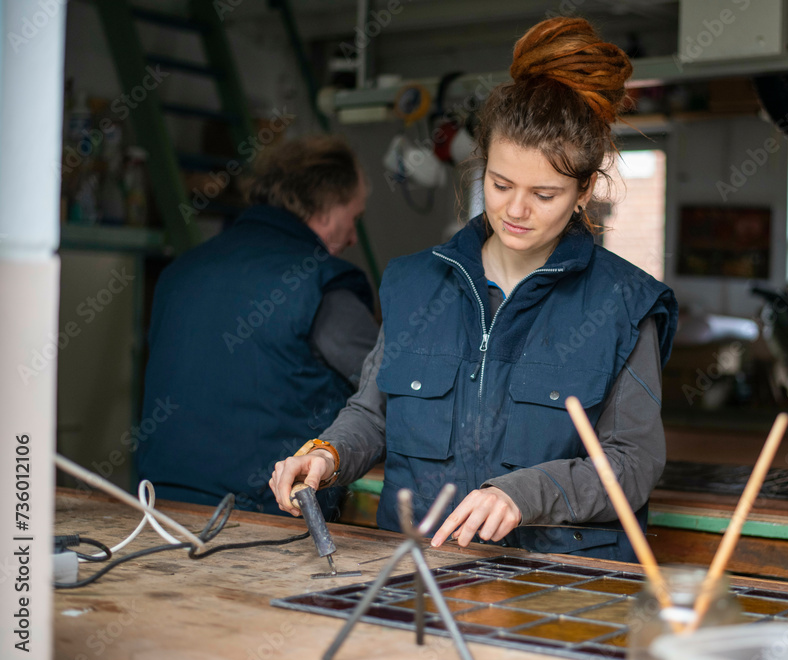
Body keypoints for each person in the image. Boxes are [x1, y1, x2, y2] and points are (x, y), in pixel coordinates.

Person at [270, 17, 678, 562]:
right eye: (501, 184)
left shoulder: (624, 305)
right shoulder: (417, 284)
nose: (515, 209)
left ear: (584, 192)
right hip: (417, 570)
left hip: (558, 585)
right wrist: (326, 456)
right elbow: (372, 414)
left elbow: (631, 464)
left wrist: (524, 494)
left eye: (545, 194)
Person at [136, 136, 378, 518]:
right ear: (329, 207)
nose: (352, 237)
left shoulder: (179, 272)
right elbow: (392, 389)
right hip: (267, 521)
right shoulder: (321, 285)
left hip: (156, 509)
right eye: (355, 218)